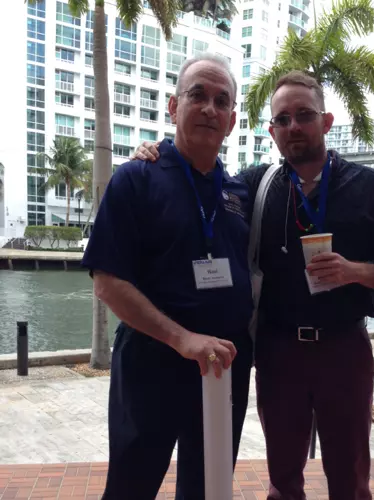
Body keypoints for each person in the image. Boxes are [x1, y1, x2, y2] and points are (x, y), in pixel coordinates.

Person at [133, 70, 374, 500]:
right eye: (282, 119)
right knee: (283, 480)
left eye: (303, 115)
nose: (293, 127)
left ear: (325, 121)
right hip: (279, 353)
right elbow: (201, 180)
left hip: (344, 350)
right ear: (271, 130)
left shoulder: (370, 188)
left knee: (351, 479)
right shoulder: (256, 186)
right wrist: (155, 153)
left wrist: (356, 271)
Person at [81, 54, 254, 500]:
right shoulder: (137, 178)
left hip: (221, 368)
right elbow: (107, 282)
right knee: (131, 486)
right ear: (174, 107)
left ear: (232, 121)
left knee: (208, 488)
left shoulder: (238, 192)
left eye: (221, 101)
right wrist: (182, 339)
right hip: (151, 365)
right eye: (197, 95)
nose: (209, 108)